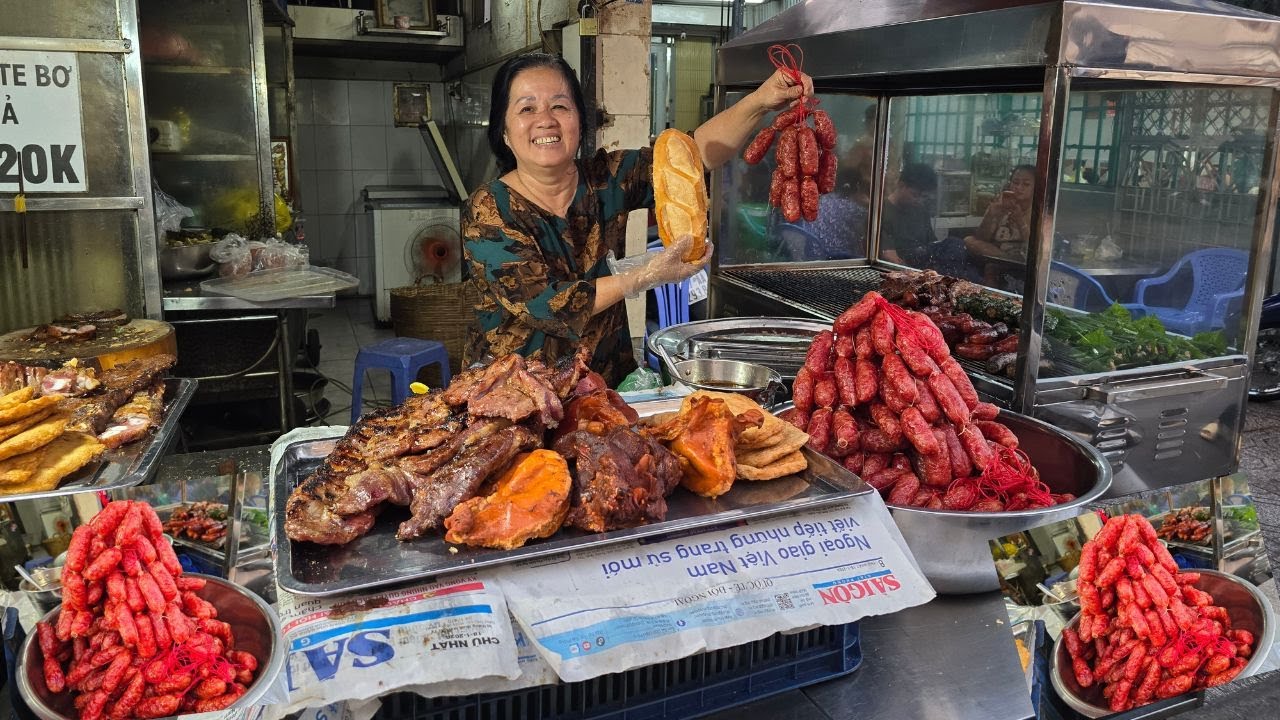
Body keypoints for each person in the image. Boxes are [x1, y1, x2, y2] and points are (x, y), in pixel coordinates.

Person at [462, 53, 813, 386]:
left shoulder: (605, 178)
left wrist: (760, 102)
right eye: (527, 108)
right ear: (504, 131)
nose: (546, 119)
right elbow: (547, 305)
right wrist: (645, 276)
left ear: (579, 122)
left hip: (602, 390)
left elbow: (692, 154)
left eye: (559, 105)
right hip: (516, 401)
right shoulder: (488, 209)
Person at [774, 167, 868, 261]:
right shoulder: (853, 209)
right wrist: (868, 203)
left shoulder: (823, 200)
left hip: (812, 255)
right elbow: (870, 228)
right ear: (857, 187)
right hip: (837, 259)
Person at [965, 164, 1035, 286]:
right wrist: (991, 214)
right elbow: (982, 238)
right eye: (1015, 182)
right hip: (997, 253)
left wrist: (1019, 220)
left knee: (992, 266)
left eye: (1026, 184)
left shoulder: (1037, 212)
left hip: (1023, 257)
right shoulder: (1000, 203)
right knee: (968, 240)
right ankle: (1005, 259)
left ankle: (1004, 261)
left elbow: (1034, 246)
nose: (1019, 188)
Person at [878, 163, 939, 266]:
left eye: (924, 197)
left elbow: (932, 243)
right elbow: (890, 256)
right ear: (901, 185)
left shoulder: (921, 211)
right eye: (915, 195)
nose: (919, 200)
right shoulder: (882, 212)